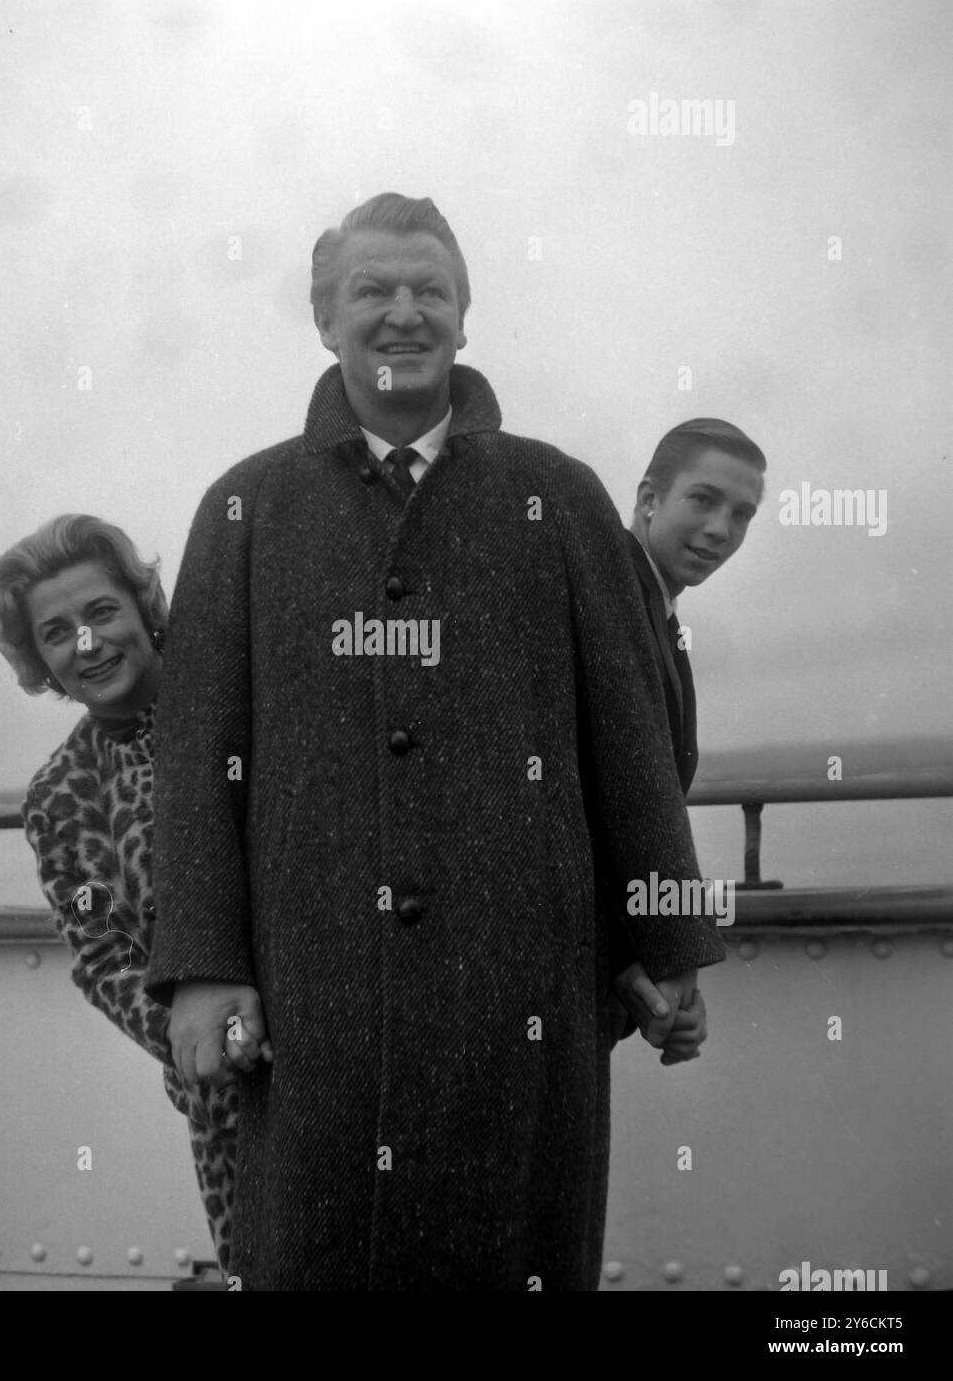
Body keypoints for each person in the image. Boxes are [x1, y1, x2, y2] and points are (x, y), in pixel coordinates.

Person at [147, 193, 727, 1291]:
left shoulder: (558, 496)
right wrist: (204, 967)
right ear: (326, 318)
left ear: (466, 317)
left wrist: (664, 940)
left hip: (526, 981)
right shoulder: (246, 508)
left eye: (431, 291)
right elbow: (196, 756)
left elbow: (632, 743)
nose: (403, 312)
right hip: (313, 982)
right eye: (373, 290)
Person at [0, 514, 244, 1277]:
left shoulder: (245, 704)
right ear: (39, 658)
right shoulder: (62, 796)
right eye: (58, 632)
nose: (87, 645)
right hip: (233, 1095)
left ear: (142, 607)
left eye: (101, 613)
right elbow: (106, 960)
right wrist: (211, 1040)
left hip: (357, 1043)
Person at [611, 420, 766, 1060]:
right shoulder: (613, 599)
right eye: (702, 500)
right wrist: (657, 954)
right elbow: (610, 797)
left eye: (741, 514)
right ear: (650, 499)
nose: (720, 530)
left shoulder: (653, 606)